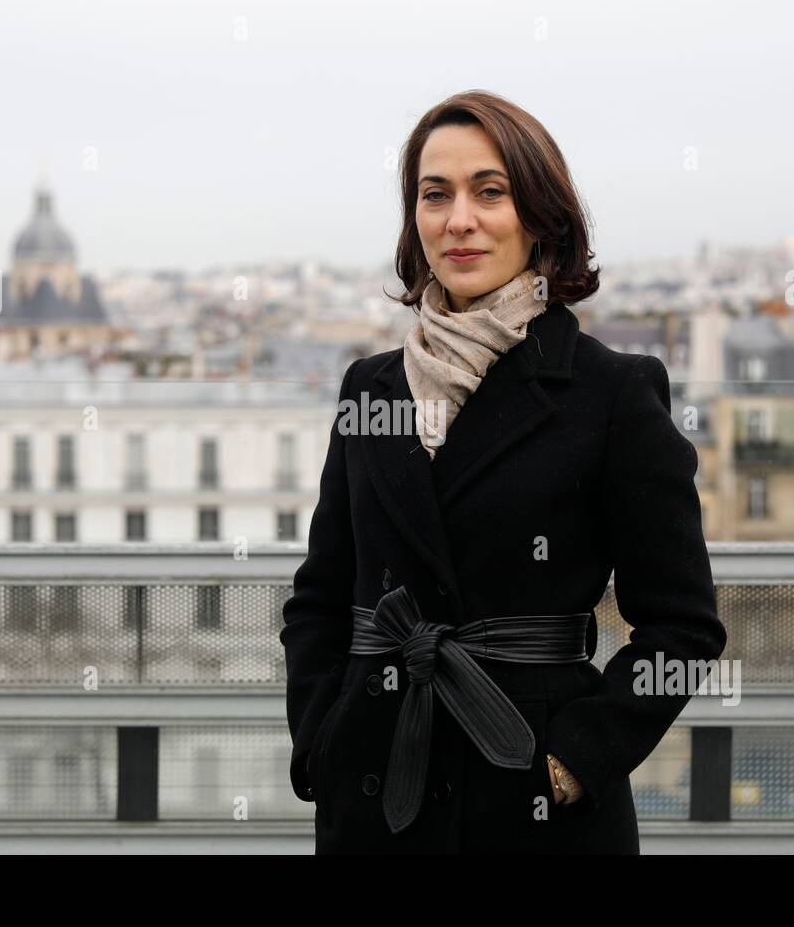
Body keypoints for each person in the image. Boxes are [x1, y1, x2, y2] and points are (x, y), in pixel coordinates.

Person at [280, 89, 726, 853]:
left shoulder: (611, 392)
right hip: (375, 794)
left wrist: (572, 764)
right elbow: (322, 594)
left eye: (490, 192)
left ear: (541, 216)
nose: (459, 219)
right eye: (435, 195)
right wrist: (323, 736)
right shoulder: (370, 387)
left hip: (531, 807)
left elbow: (684, 629)